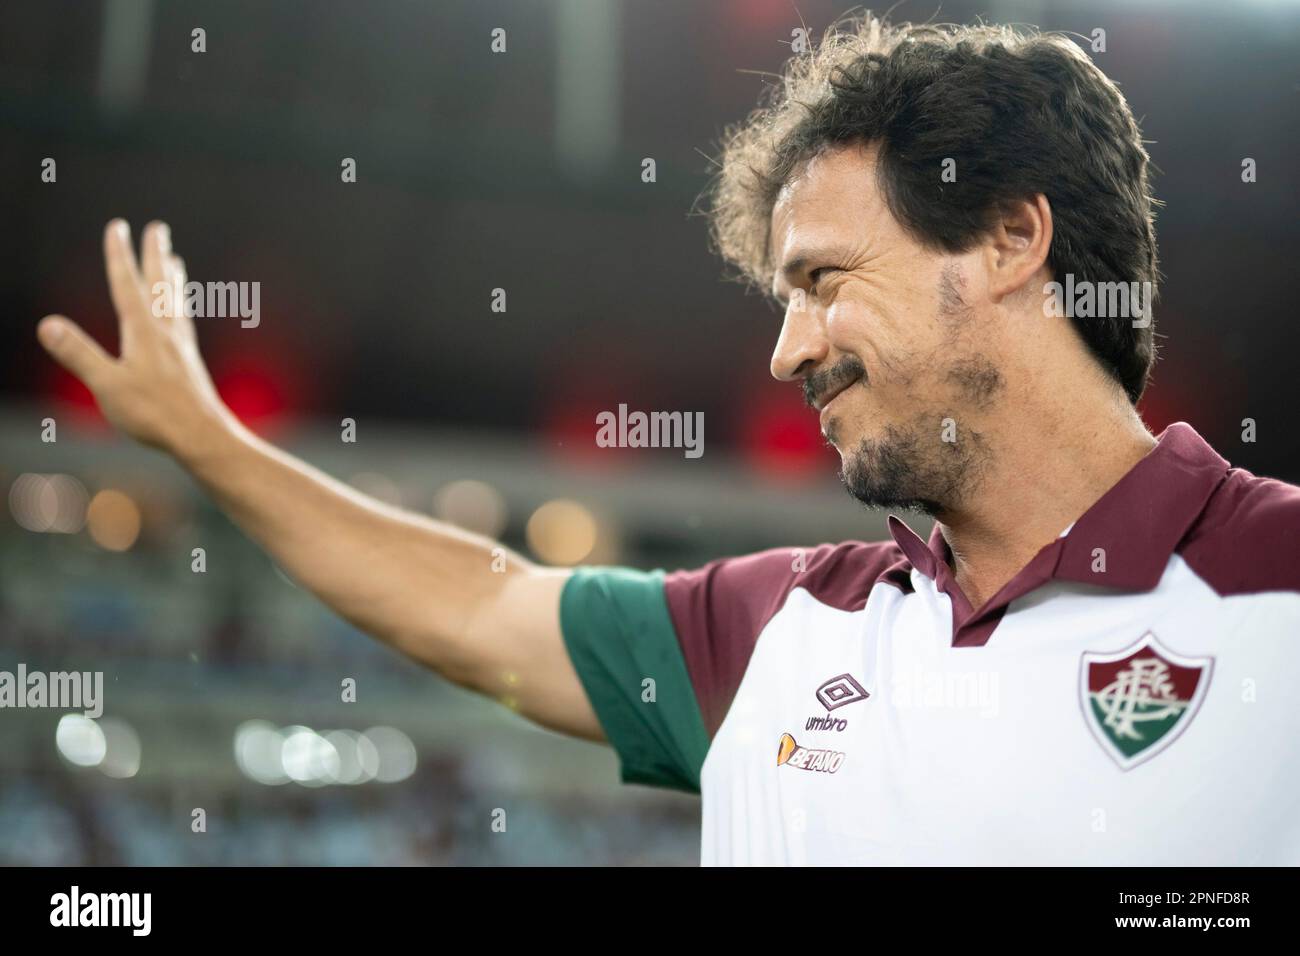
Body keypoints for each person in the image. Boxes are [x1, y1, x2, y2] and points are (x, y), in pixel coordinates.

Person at [36, 15, 1300, 865]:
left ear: (1012, 244)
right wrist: (205, 442)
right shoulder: (781, 632)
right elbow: (479, 614)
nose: (786, 351)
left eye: (824, 280)